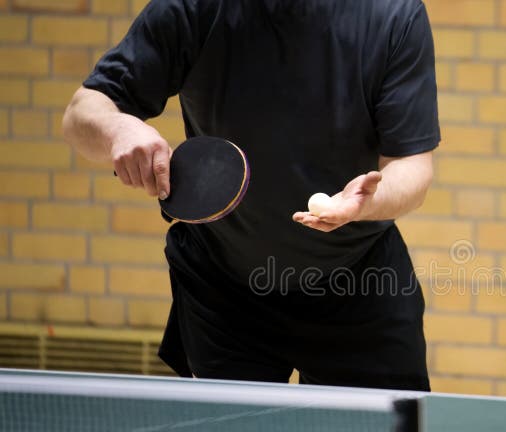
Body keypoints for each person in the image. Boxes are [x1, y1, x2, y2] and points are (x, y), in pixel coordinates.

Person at [63, 0, 440, 391]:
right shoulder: (193, 9)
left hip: (360, 286)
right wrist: (117, 130)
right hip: (226, 293)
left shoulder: (393, 14)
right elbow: (81, 113)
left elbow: (413, 167)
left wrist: (367, 204)